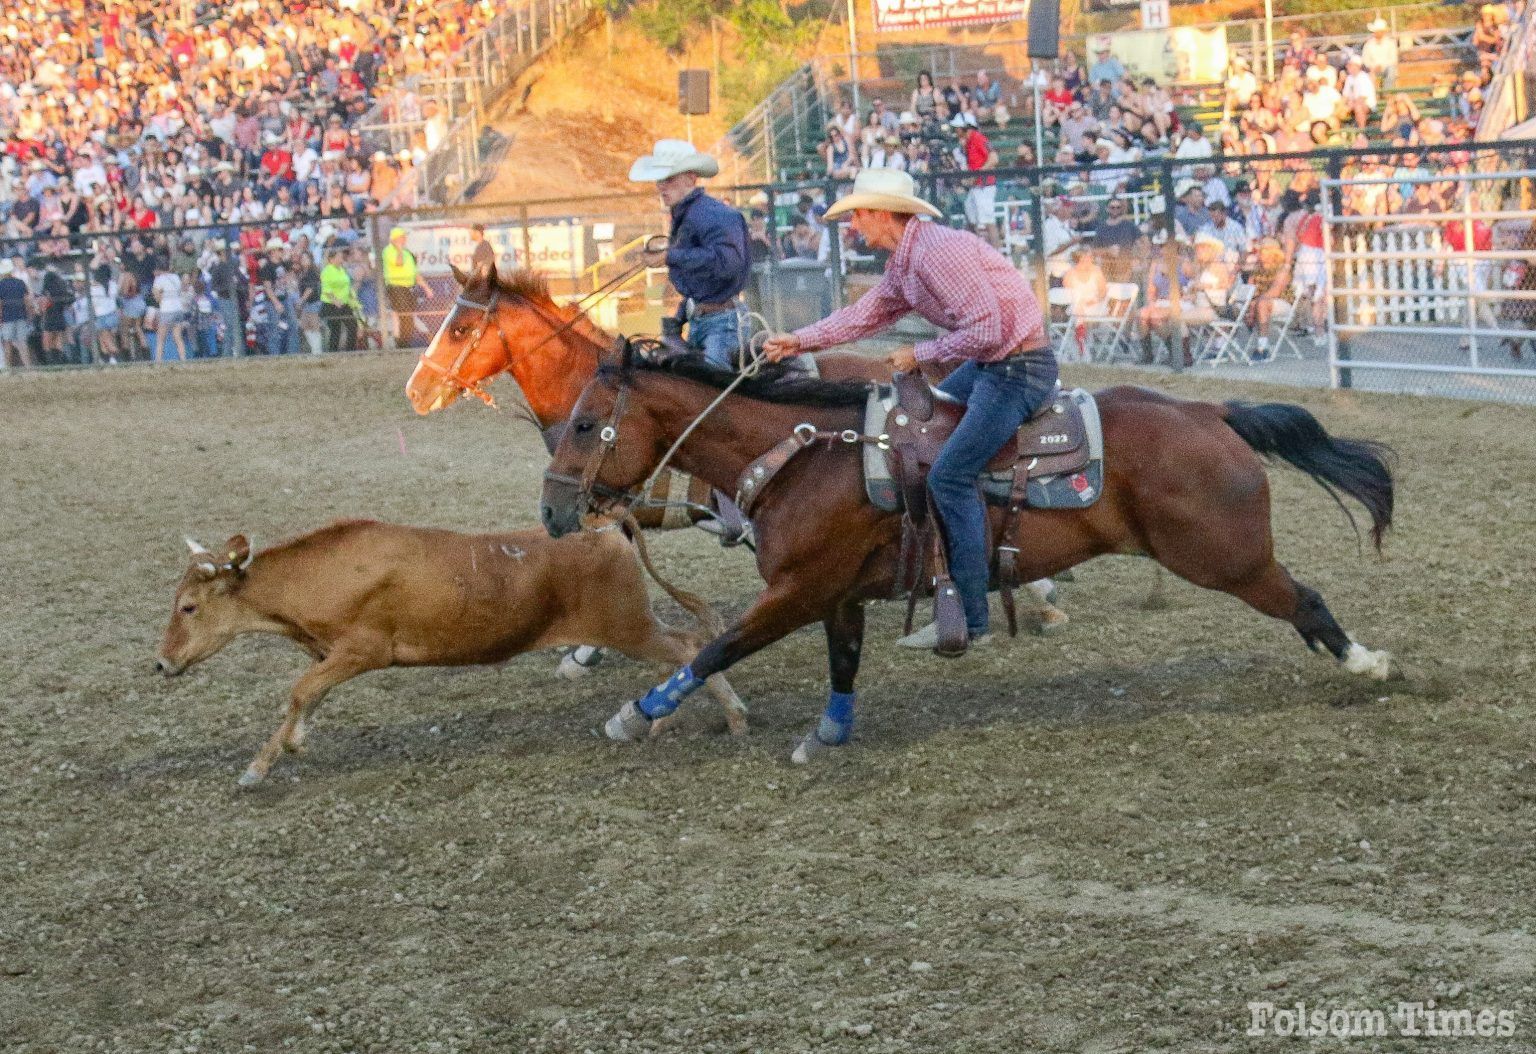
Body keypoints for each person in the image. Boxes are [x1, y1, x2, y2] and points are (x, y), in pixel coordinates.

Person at [762, 169, 1054, 655]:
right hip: (993, 366)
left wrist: (920, 352)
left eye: (858, 214)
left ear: (881, 212)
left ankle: (970, 618)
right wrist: (799, 340)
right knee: (921, 436)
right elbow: (864, 315)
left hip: (1016, 369)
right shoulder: (908, 259)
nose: (853, 224)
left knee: (949, 477)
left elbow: (986, 329)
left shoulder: (937, 254)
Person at [630, 139, 750, 371]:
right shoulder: (690, 214)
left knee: (711, 396)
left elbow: (729, 264)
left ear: (690, 178)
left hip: (723, 324)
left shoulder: (712, 214)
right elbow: (705, 281)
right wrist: (678, 319)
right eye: (659, 179)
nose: (660, 186)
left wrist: (670, 256)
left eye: (669, 179)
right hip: (708, 321)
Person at [382, 226, 431, 348]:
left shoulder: (407, 253)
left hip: (408, 287)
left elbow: (415, 273)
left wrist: (426, 287)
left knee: (409, 316)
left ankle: (405, 342)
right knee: (404, 315)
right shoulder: (389, 251)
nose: (404, 239)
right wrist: (398, 249)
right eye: (402, 237)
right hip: (396, 287)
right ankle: (401, 344)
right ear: (396, 239)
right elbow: (398, 263)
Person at [959, 124, 999, 245]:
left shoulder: (978, 138)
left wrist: (977, 175)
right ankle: (974, 250)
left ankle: (998, 256)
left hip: (985, 186)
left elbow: (994, 159)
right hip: (976, 187)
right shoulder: (969, 142)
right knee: (970, 217)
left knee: (988, 222)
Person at [320, 246, 361, 353]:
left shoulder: (342, 269)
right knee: (335, 329)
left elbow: (346, 285)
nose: (341, 258)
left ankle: (350, 351)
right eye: (338, 256)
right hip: (332, 304)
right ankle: (333, 352)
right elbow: (326, 289)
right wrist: (335, 301)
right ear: (331, 259)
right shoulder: (327, 271)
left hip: (344, 303)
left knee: (352, 325)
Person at [0, 260, 33, 368]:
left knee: (7, 343)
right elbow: (27, 300)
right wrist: (28, 315)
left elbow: (0, 304)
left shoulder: (1, 285)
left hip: (7, 318)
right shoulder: (20, 282)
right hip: (21, 316)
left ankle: (9, 368)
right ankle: (28, 367)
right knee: (22, 343)